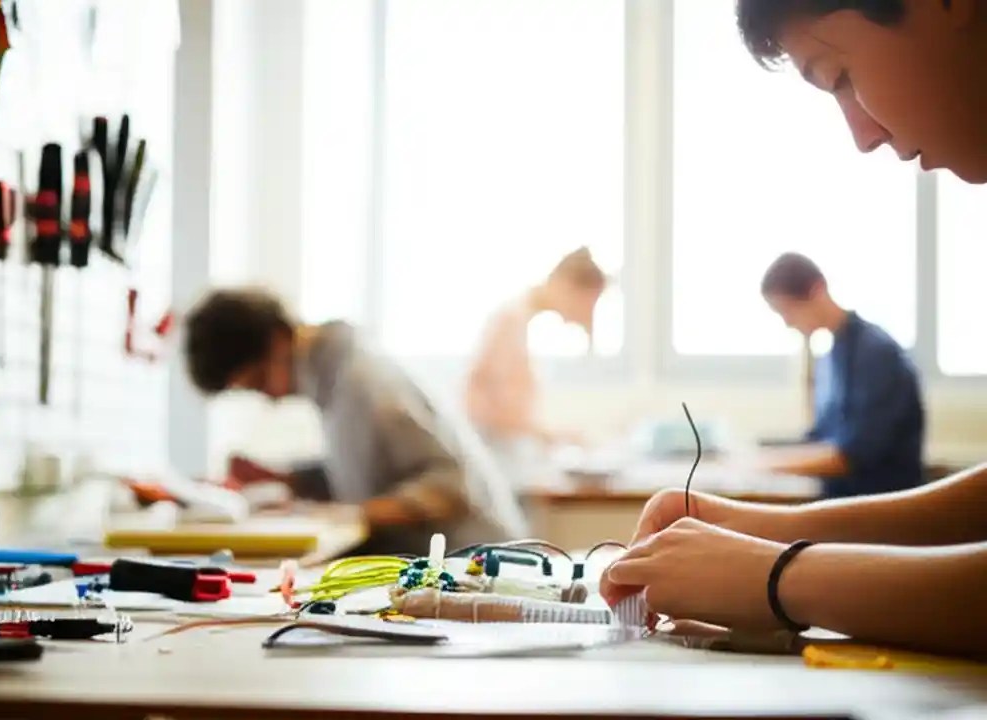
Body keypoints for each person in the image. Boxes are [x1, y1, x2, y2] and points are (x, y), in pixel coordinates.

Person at [601, 0, 987, 659]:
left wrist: (774, 574)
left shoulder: (875, 352)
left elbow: (846, 456)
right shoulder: (836, 356)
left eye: (837, 74)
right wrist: (758, 527)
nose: (863, 136)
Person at [183, 288, 527, 556]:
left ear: (277, 340)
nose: (270, 399)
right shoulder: (333, 381)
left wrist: (345, 515)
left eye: (260, 382)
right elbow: (373, 472)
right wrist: (286, 479)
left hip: (477, 564)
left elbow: (451, 486)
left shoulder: (363, 382)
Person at [758, 252, 925, 498]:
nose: (788, 323)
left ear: (818, 290)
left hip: (878, 506)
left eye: (787, 310)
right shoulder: (832, 354)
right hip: (844, 500)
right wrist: (765, 453)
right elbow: (820, 438)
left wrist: (766, 465)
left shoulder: (876, 353)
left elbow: (852, 455)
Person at [464, 247, 607, 451]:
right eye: (587, 302)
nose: (585, 312)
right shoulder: (510, 321)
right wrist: (550, 435)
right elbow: (486, 408)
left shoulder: (522, 320)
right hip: (492, 452)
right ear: (566, 285)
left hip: (503, 449)